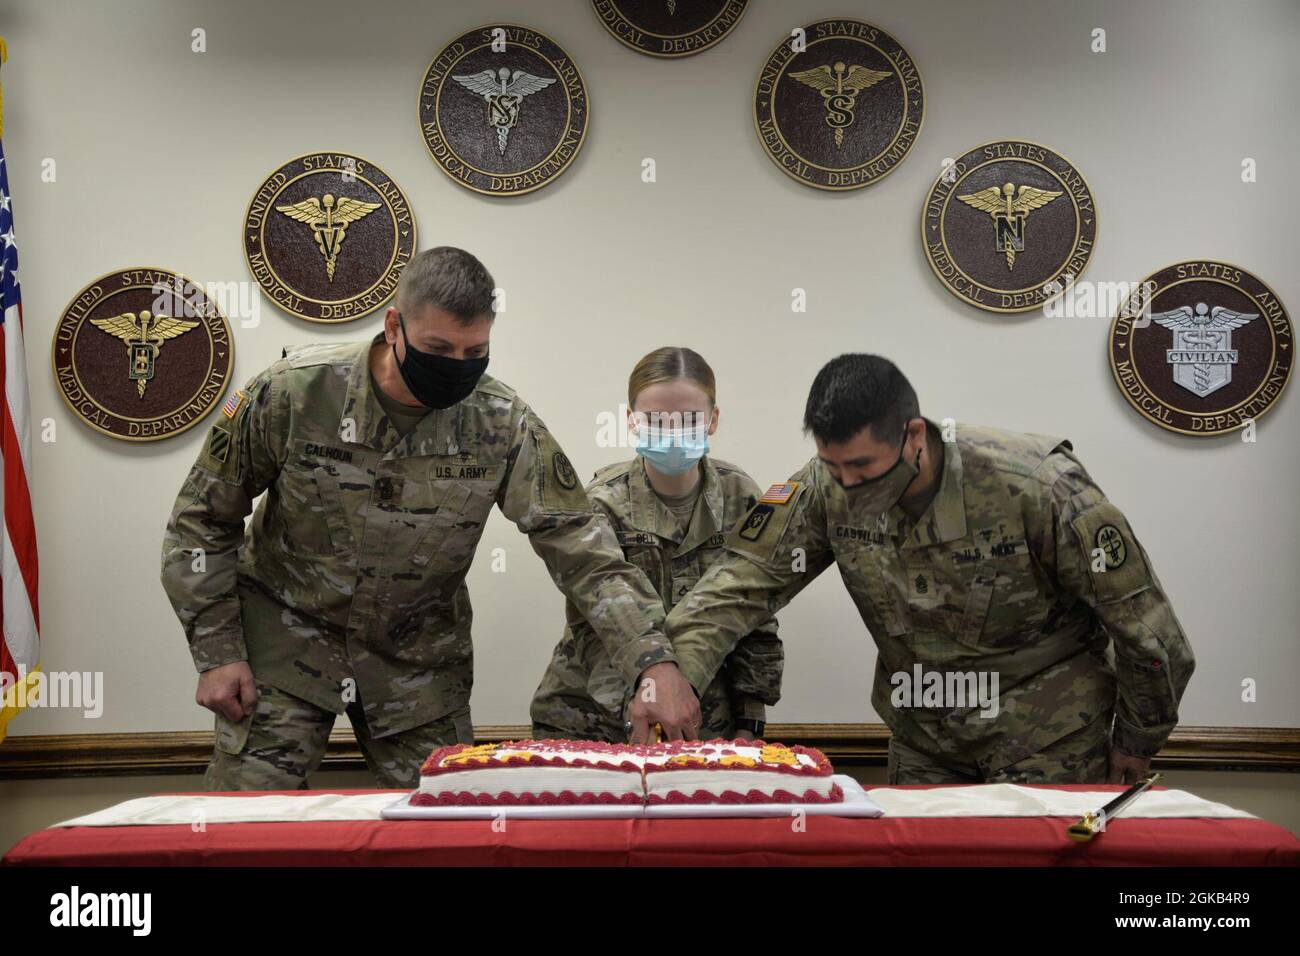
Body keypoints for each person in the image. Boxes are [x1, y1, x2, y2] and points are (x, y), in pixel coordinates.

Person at [160, 246, 698, 790]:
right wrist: (217, 650)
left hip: (415, 664)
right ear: (395, 326)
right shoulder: (294, 393)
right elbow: (201, 520)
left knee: (445, 831)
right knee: (246, 827)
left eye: (476, 351)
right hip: (283, 644)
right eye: (439, 348)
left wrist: (653, 662)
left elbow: (583, 550)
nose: (456, 366)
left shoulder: (500, 422)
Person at [661, 353, 1195, 784]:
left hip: (1049, 735)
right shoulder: (828, 485)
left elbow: (1148, 631)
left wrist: (1136, 741)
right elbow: (741, 584)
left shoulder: (1036, 485)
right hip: (924, 737)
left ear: (914, 436)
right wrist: (669, 672)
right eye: (834, 466)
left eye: (865, 467)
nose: (848, 485)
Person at [530, 347, 782, 743]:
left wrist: (750, 722)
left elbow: (755, 612)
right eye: (656, 420)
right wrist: (641, 707)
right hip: (593, 721)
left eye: (688, 419)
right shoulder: (601, 503)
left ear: (713, 420)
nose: (673, 431)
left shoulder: (742, 497)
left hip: (703, 727)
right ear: (631, 421)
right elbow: (595, 621)